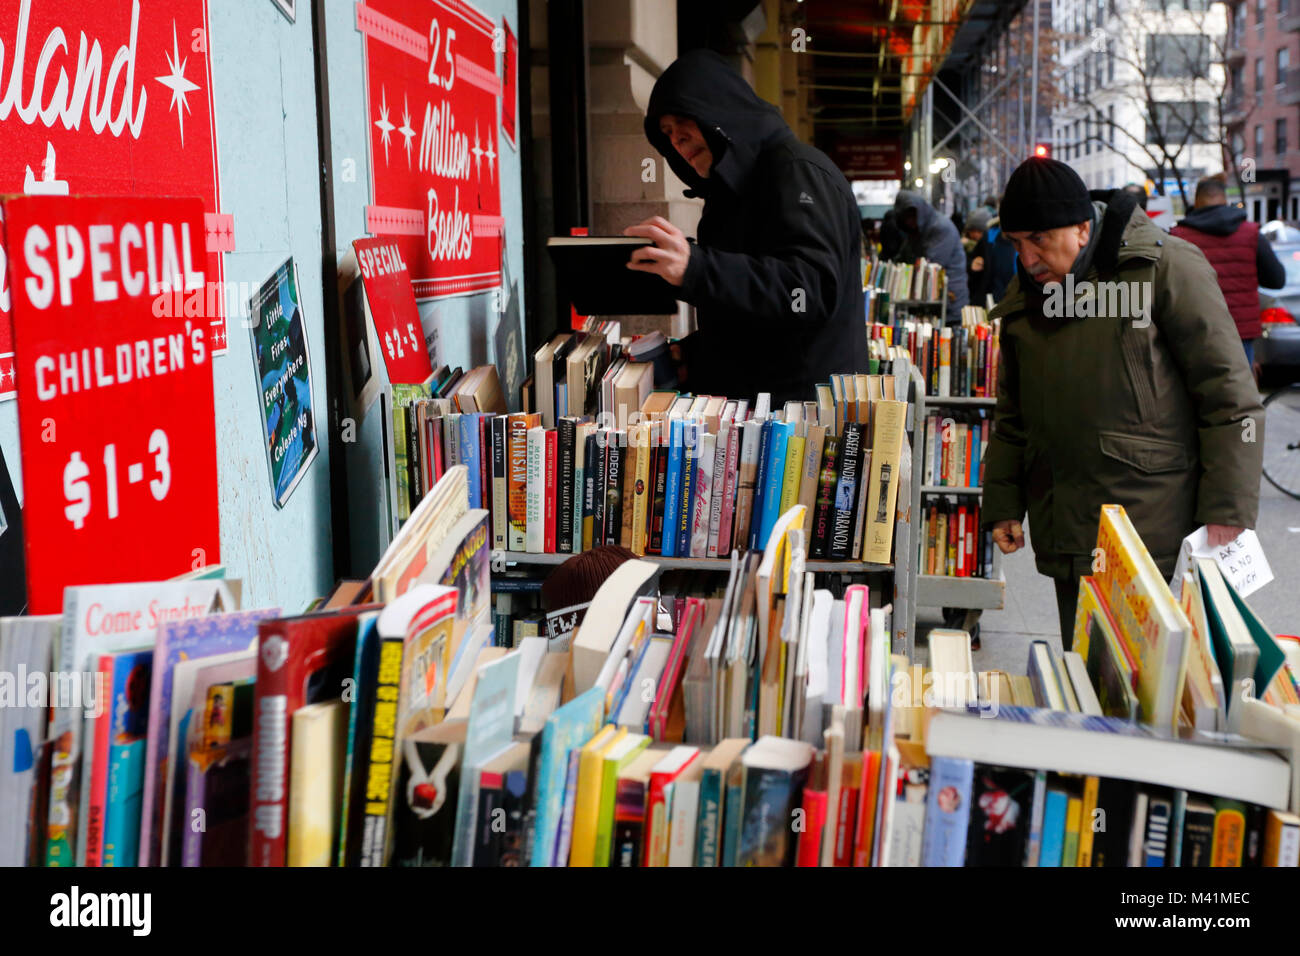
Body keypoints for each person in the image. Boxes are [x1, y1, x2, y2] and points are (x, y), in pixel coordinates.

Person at [980, 157, 1264, 650]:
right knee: (1085, 673)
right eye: (1016, 244)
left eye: (1040, 240)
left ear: (1082, 228)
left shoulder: (1164, 267)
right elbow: (1012, 416)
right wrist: (1003, 503)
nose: (1027, 259)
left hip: (1147, 521)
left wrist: (1228, 507)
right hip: (1064, 521)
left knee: (1144, 683)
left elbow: (1231, 399)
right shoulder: (1027, 298)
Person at [625, 50, 870, 407]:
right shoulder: (732, 192)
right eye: (666, 133)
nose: (676, 140)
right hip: (765, 417)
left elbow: (809, 289)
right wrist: (693, 355)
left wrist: (698, 268)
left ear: (717, 112)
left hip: (801, 427)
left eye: (683, 123)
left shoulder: (796, 171)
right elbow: (755, 318)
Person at [1170, 177, 1286, 369]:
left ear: (1196, 202)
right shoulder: (1251, 233)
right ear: (1224, 199)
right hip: (1240, 334)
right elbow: (1276, 280)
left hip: (1194, 332)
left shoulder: (1178, 237)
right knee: (1239, 395)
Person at [892, 190, 970, 316]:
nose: (910, 222)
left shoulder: (940, 227)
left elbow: (930, 265)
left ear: (920, 212)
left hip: (949, 298)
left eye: (913, 216)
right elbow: (903, 257)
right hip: (933, 299)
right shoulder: (917, 231)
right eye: (906, 218)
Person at [963, 208, 993, 308]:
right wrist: (970, 264)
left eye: (979, 231)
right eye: (972, 230)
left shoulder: (988, 244)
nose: (975, 234)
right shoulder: (963, 245)